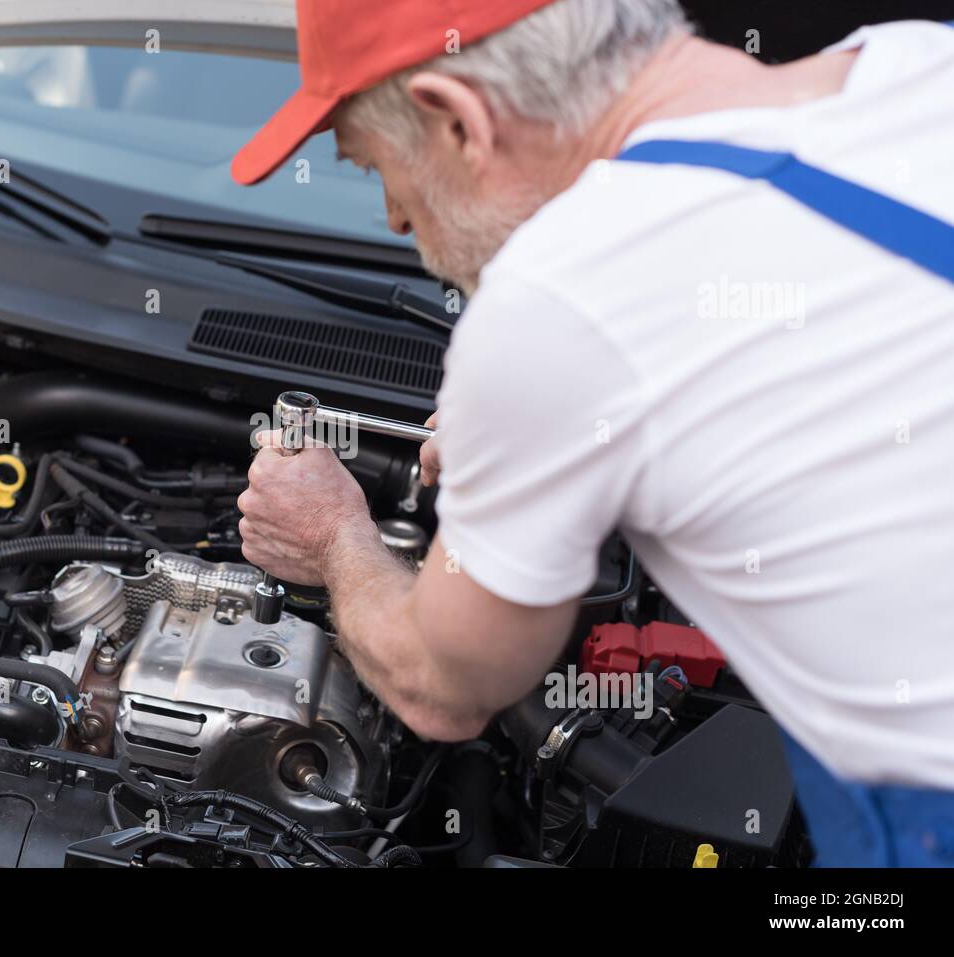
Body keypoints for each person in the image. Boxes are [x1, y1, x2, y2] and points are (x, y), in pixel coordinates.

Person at [230, 0, 954, 866]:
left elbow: (446, 688)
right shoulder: (914, 63)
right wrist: (552, 431)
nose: (392, 215)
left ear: (459, 121)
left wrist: (332, 539)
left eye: (375, 164)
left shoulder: (561, 301)